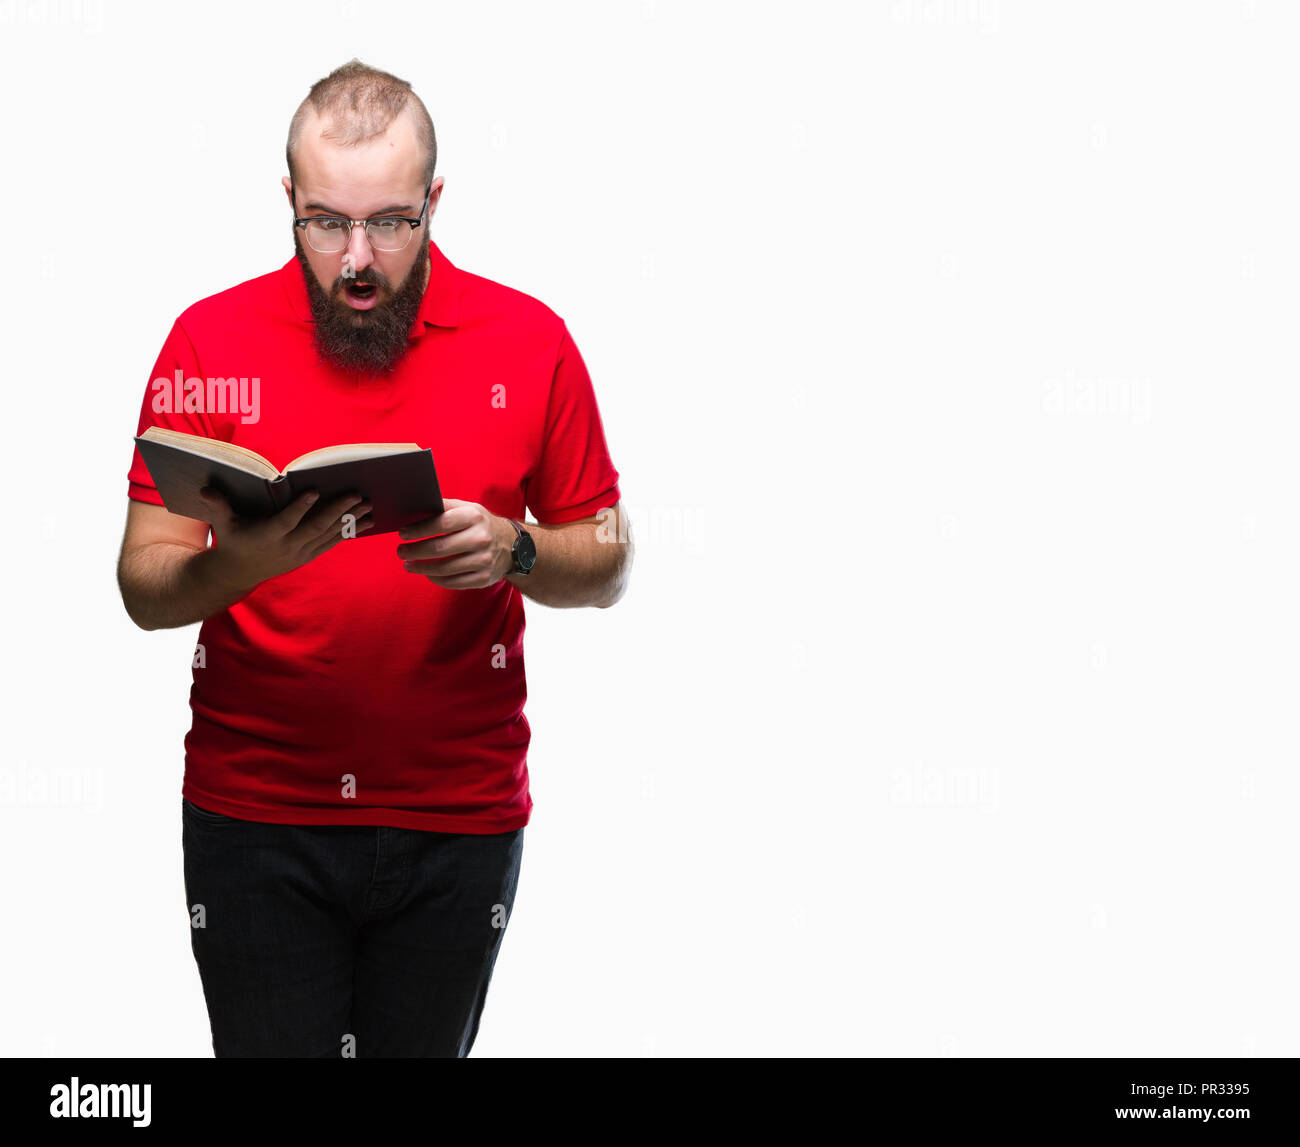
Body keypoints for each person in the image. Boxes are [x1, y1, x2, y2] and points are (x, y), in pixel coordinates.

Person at [116, 59, 632, 1058]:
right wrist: (247, 561)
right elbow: (142, 586)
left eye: (392, 222)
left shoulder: (531, 343)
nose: (358, 259)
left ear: (434, 202)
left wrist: (516, 549)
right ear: (289, 202)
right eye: (325, 222)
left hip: (458, 818)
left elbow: (608, 557)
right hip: (254, 816)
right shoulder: (205, 339)